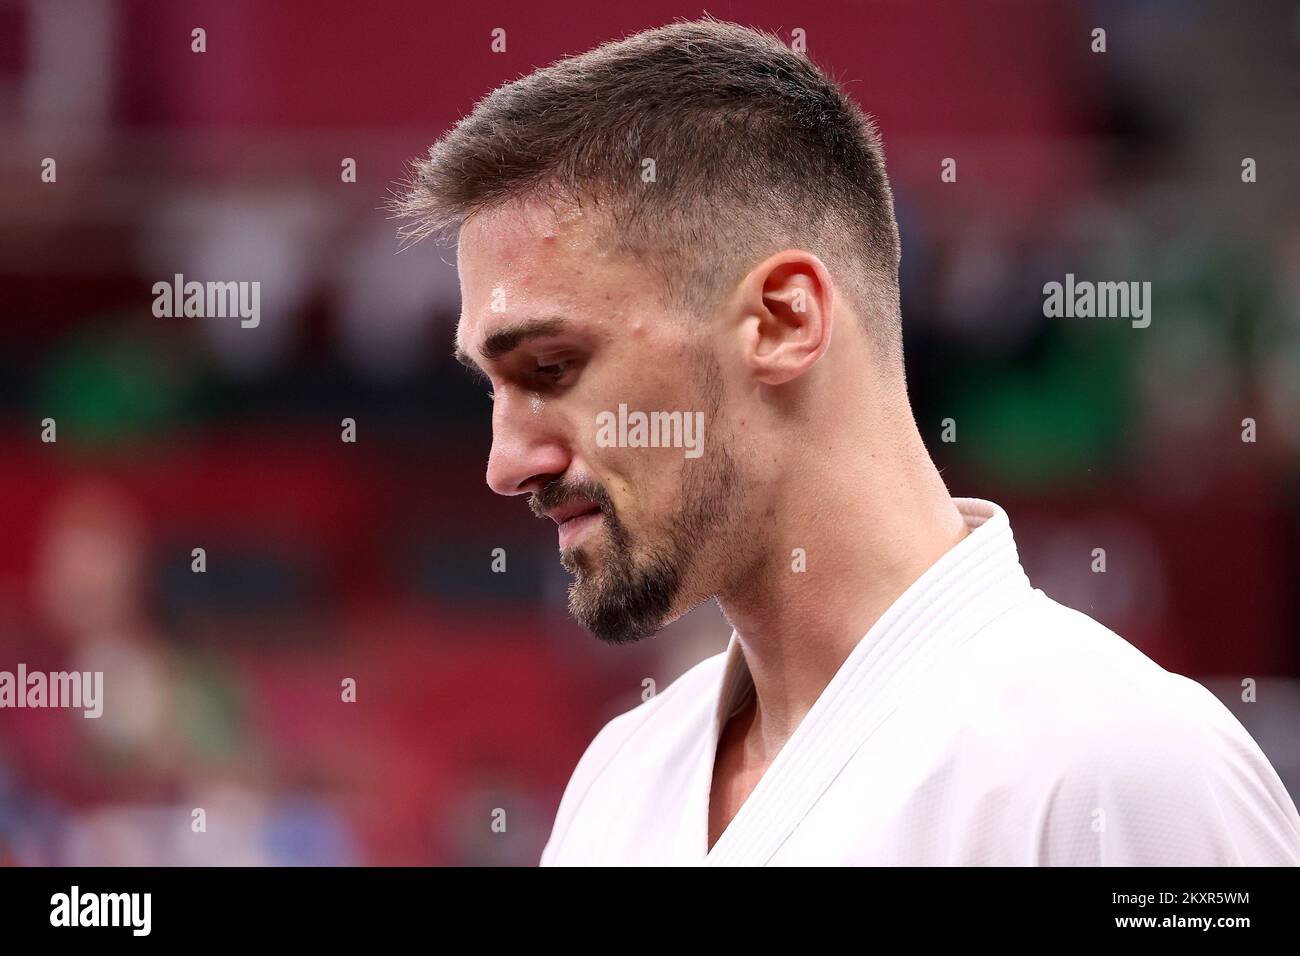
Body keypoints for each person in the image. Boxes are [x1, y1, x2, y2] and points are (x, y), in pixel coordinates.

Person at [395, 18, 1300, 865]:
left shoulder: (1127, 772)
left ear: (784, 321)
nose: (506, 464)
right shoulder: (618, 781)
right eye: (491, 387)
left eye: (552, 368)